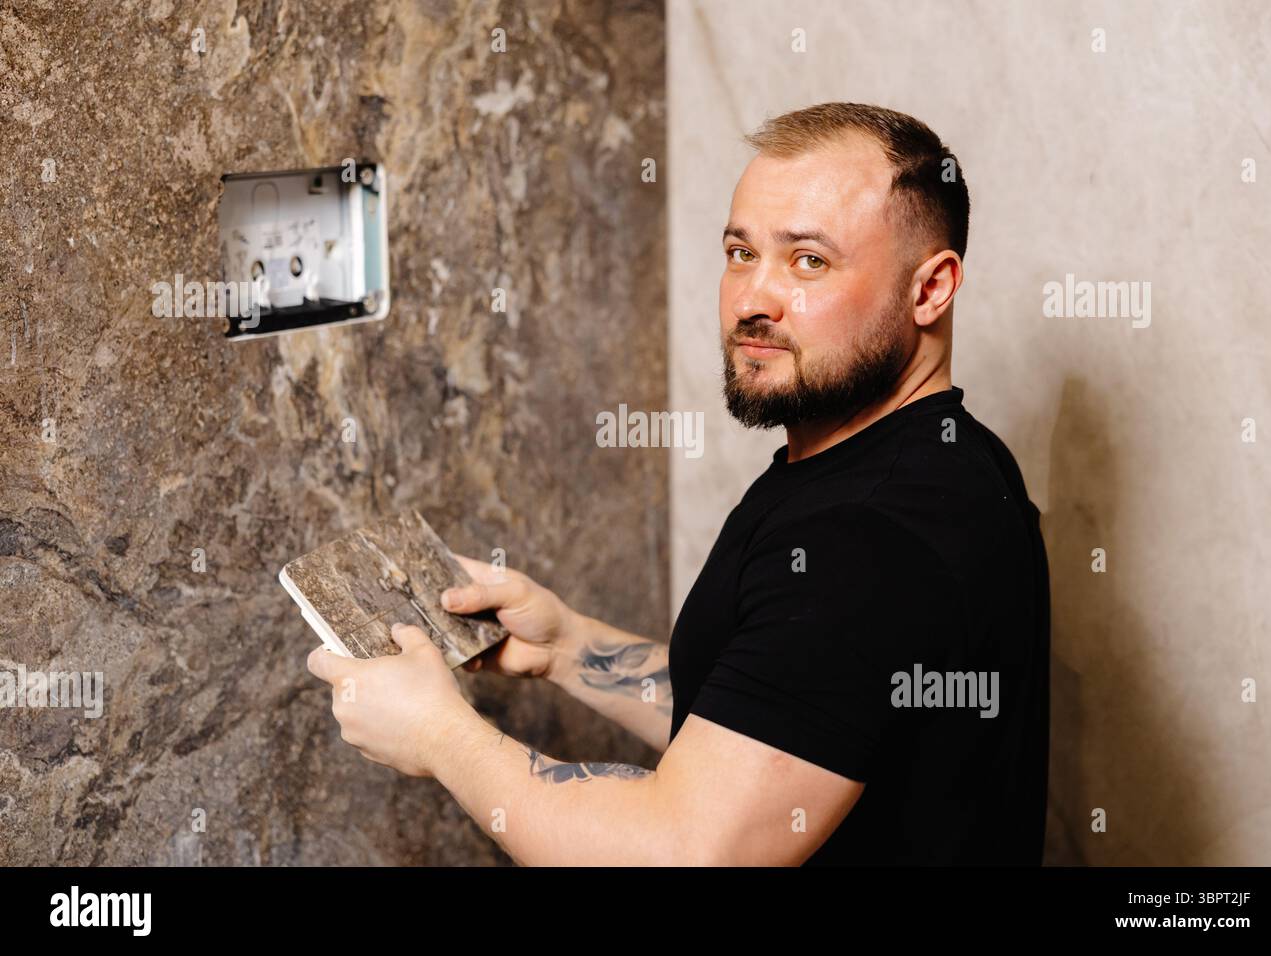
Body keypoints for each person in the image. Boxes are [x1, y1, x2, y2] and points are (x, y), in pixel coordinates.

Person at [308, 102, 1050, 866]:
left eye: (809, 262)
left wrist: (439, 735)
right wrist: (568, 646)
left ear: (930, 290)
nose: (753, 301)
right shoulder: (945, 456)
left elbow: (681, 853)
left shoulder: (868, 538)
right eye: (740, 252)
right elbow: (784, 713)